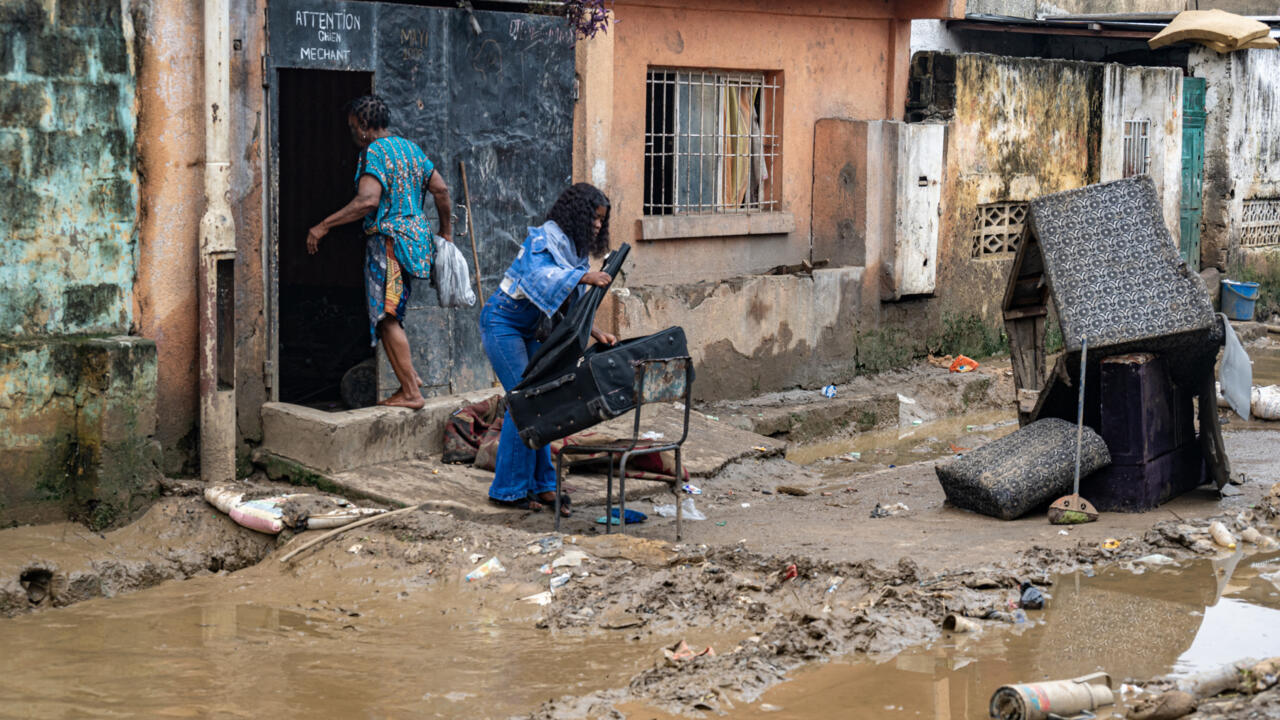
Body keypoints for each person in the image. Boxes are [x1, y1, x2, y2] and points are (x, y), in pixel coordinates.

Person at [306, 95, 452, 409]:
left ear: (363, 127)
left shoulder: (373, 152)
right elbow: (440, 189)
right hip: (415, 243)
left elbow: (368, 201)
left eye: (352, 127)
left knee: (386, 317)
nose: (352, 133)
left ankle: (411, 392)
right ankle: (410, 375)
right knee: (394, 311)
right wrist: (446, 231)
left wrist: (323, 225)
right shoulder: (411, 149)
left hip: (389, 245)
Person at [481, 183, 618, 513]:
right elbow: (539, 277)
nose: (598, 225)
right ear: (578, 212)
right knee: (522, 403)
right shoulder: (545, 237)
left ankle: (542, 485)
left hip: (527, 329)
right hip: (502, 324)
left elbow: (568, 306)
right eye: (594, 218)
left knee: (539, 403)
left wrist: (595, 332)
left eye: (602, 220)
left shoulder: (574, 249)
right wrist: (584, 278)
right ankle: (508, 490)